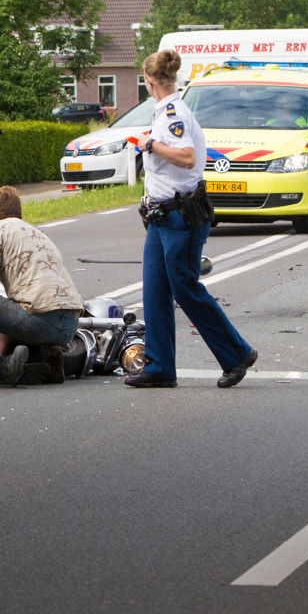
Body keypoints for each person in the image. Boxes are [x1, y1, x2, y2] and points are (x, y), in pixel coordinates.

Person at [125, 50, 258, 390]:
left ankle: (237, 354)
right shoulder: (164, 111)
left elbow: (187, 157)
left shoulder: (173, 113)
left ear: (149, 81)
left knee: (185, 289)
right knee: (155, 291)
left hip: (179, 217)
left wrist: (151, 145)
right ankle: (159, 367)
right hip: (161, 216)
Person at [0, 186, 84, 386]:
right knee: (14, 306)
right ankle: (44, 358)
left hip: (38, 321)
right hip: (69, 326)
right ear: (19, 213)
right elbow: (12, 308)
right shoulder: (38, 234)